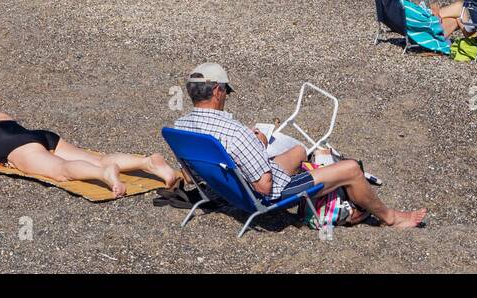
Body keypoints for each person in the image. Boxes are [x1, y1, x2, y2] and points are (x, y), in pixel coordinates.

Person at [173, 63, 425, 228]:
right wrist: (256, 145)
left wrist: (252, 150)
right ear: (217, 91)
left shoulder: (180, 126)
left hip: (230, 188)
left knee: (298, 151)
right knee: (350, 168)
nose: (226, 95)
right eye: (226, 90)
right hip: (265, 195)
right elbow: (264, 185)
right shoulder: (236, 133)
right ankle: (390, 217)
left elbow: (189, 172)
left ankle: (325, 185)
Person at [0, 110, 180, 198]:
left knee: (62, 170)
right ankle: (148, 162)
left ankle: (103, 175)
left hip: (15, 148)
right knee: (94, 156)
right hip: (40, 135)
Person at [383, 0, 453, 53]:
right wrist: (437, 14)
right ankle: (467, 45)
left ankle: (468, 43)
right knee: (457, 16)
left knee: (459, 10)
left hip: (411, 28)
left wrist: (430, 11)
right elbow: (429, 23)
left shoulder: (391, 4)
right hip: (424, 33)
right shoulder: (405, 7)